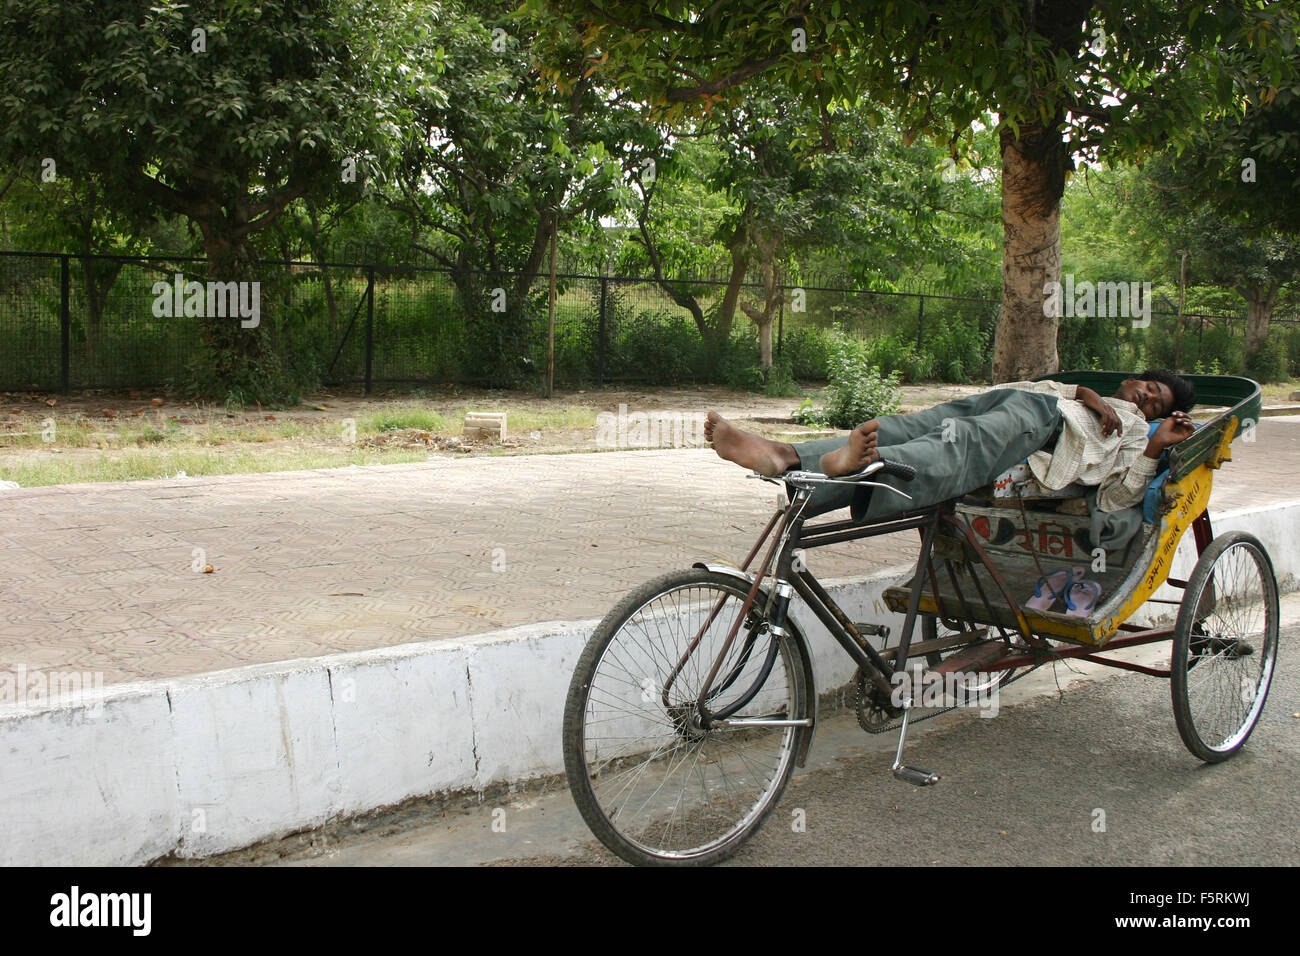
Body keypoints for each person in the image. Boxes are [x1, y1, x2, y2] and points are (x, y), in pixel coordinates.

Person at [705, 370, 1197, 523]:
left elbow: (1114, 500)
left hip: (1044, 426)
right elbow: (1054, 388)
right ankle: (788, 456)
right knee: (915, 424)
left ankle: (858, 466)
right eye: (1149, 390)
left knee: (962, 442)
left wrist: (1154, 445)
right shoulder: (1096, 395)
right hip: (1027, 398)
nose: (1148, 401)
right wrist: (1087, 395)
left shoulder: (1136, 433)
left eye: (1157, 405)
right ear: (1134, 380)